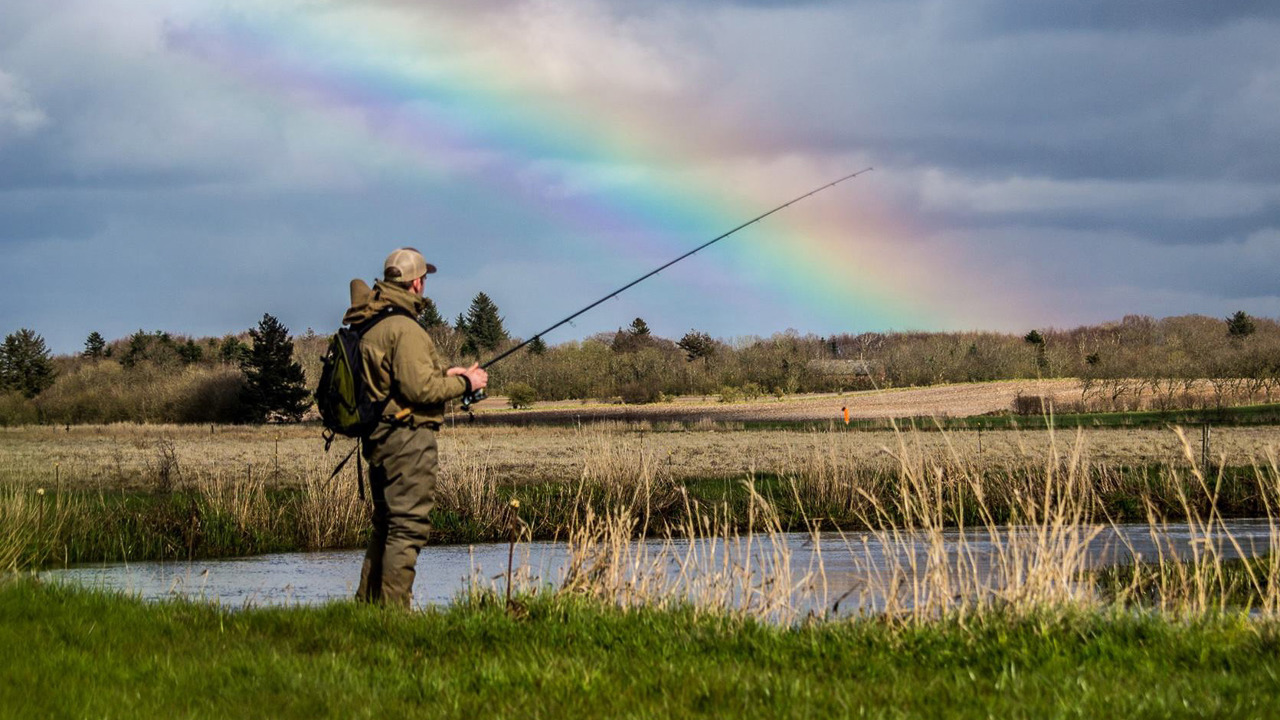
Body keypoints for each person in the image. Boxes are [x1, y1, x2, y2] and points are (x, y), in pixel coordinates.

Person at [343, 247, 487, 607]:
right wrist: (467, 383)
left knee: (386, 525)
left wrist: (446, 373)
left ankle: (368, 606)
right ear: (417, 283)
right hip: (407, 441)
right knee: (407, 527)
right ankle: (394, 614)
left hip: (380, 438)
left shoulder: (374, 321)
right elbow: (420, 390)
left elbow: (401, 379)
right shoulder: (404, 328)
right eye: (425, 279)